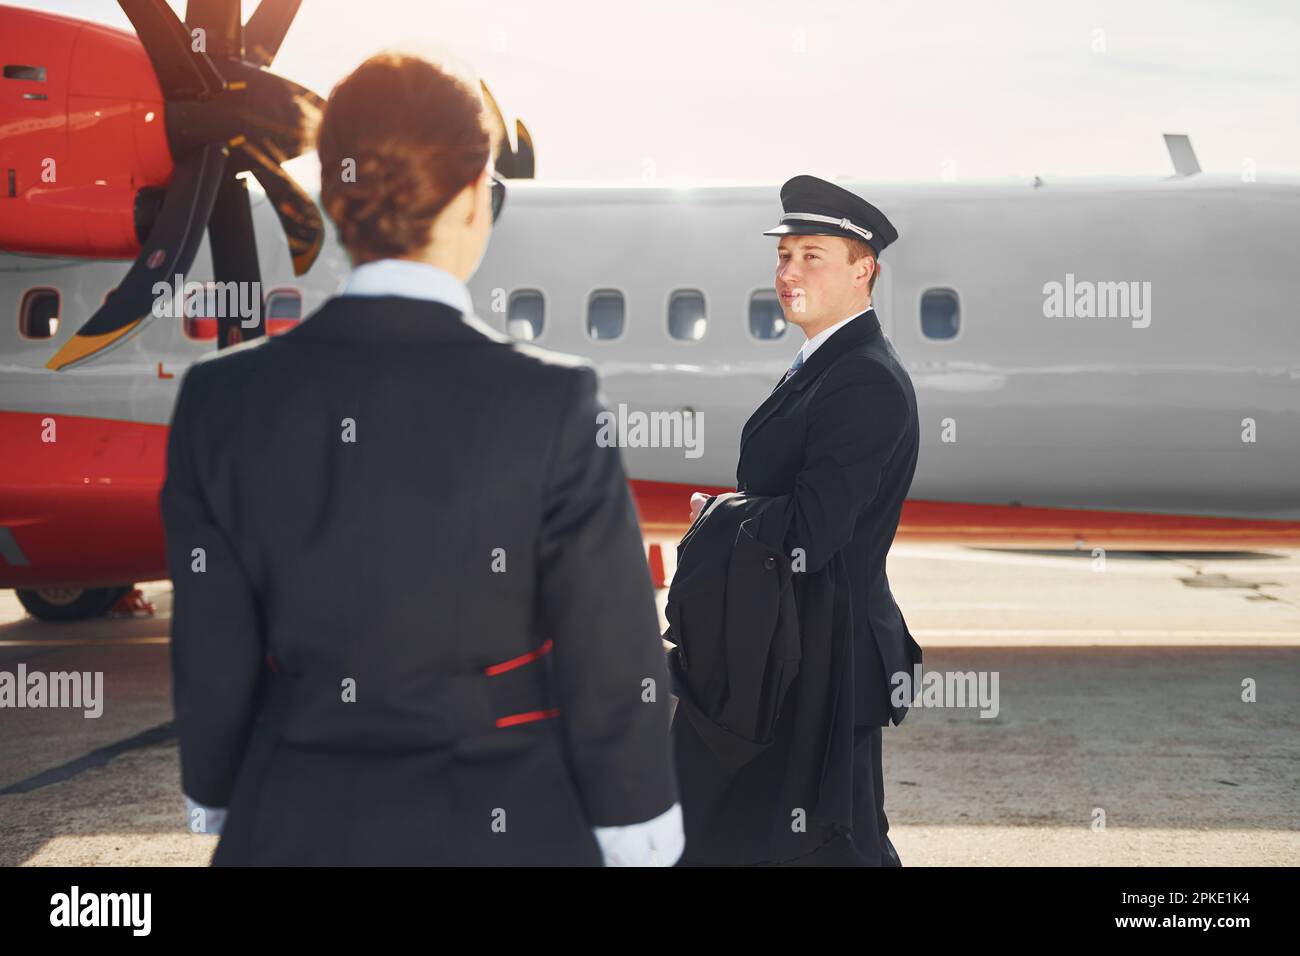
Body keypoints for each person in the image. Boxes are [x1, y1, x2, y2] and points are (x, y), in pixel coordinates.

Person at [160, 52, 682, 865]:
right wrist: (638, 818)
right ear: (476, 197)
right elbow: (609, 645)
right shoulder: (552, 401)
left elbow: (211, 649)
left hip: (292, 820)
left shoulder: (219, 401)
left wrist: (220, 798)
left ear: (333, 200)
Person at [687, 174, 922, 865]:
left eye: (811, 256)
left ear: (862, 270)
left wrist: (718, 517)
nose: (789, 272)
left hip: (823, 653)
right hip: (792, 643)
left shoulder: (864, 379)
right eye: (785, 255)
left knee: (829, 843)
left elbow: (813, 531)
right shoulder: (822, 365)